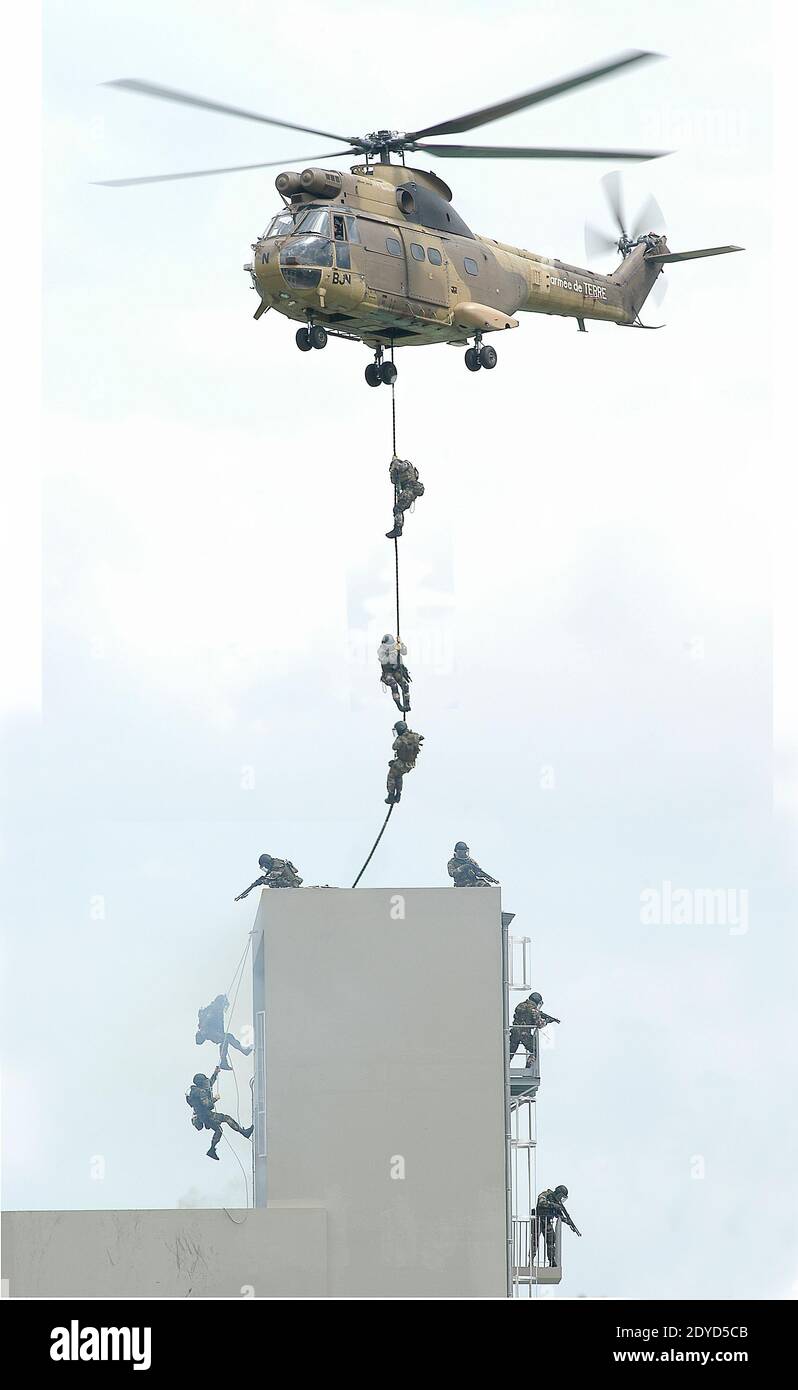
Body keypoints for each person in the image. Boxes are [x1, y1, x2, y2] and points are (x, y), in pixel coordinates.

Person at [185, 1067, 254, 1161]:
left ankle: (212, 1150)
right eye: (204, 1081)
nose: (206, 1082)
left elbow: (209, 1083)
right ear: (201, 1083)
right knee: (226, 1118)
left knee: (219, 1130)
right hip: (206, 1115)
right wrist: (215, 1099)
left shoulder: (194, 1092)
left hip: (201, 1117)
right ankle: (244, 1133)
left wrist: (215, 1073)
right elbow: (208, 1105)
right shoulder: (201, 1092)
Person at [195, 994, 253, 1071]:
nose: (225, 1007)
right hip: (210, 1033)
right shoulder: (214, 1009)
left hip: (212, 1032)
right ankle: (241, 1052)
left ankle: (224, 1062)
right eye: (224, 1005)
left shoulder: (214, 1008)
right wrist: (213, 1032)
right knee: (227, 1038)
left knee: (226, 1039)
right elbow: (207, 1021)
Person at [509, 992, 560, 1068]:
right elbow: (539, 1024)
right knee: (534, 1050)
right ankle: (528, 1068)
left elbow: (525, 1014)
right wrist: (547, 1021)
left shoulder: (520, 1005)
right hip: (524, 1034)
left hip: (514, 1033)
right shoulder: (534, 1010)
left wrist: (540, 1014)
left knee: (510, 1053)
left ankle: (503, 1067)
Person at [535, 1185, 581, 1266]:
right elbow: (541, 1203)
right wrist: (552, 1205)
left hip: (547, 1221)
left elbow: (559, 1215)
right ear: (558, 1193)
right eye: (561, 1196)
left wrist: (568, 1222)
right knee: (534, 1242)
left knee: (552, 1239)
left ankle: (551, 1261)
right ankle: (530, 1261)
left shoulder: (557, 1202)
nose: (561, 1198)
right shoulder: (546, 1194)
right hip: (538, 1220)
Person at [235, 853, 303, 900]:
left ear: (267, 863)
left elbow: (274, 877)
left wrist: (263, 881)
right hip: (286, 882)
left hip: (291, 882)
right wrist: (255, 884)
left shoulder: (278, 864)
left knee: (273, 883)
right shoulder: (273, 865)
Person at [386, 456, 424, 539]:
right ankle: (398, 528)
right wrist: (393, 472)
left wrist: (395, 461)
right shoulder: (397, 473)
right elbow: (393, 481)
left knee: (397, 509)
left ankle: (398, 529)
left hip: (410, 488)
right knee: (398, 508)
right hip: (409, 491)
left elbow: (401, 467)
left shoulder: (406, 464)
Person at [385, 720, 424, 804]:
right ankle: (398, 794)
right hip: (410, 764)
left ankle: (391, 795)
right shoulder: (415, 736)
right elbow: (421, 737)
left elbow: (394, 747)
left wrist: (400, 739)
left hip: (402, 763)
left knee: (391, 776)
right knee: (398, 775)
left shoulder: (401, 739)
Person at [378, 633, 411, 713]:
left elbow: (404, 652)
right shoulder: (381, 650)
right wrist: (395, 650)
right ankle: (399, 705)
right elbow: (385, 660)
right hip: (388, 673)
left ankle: (407, 704)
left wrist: (401, 644)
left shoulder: (396, 646)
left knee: (405, 685)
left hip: (397, 671)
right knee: (394, 685)